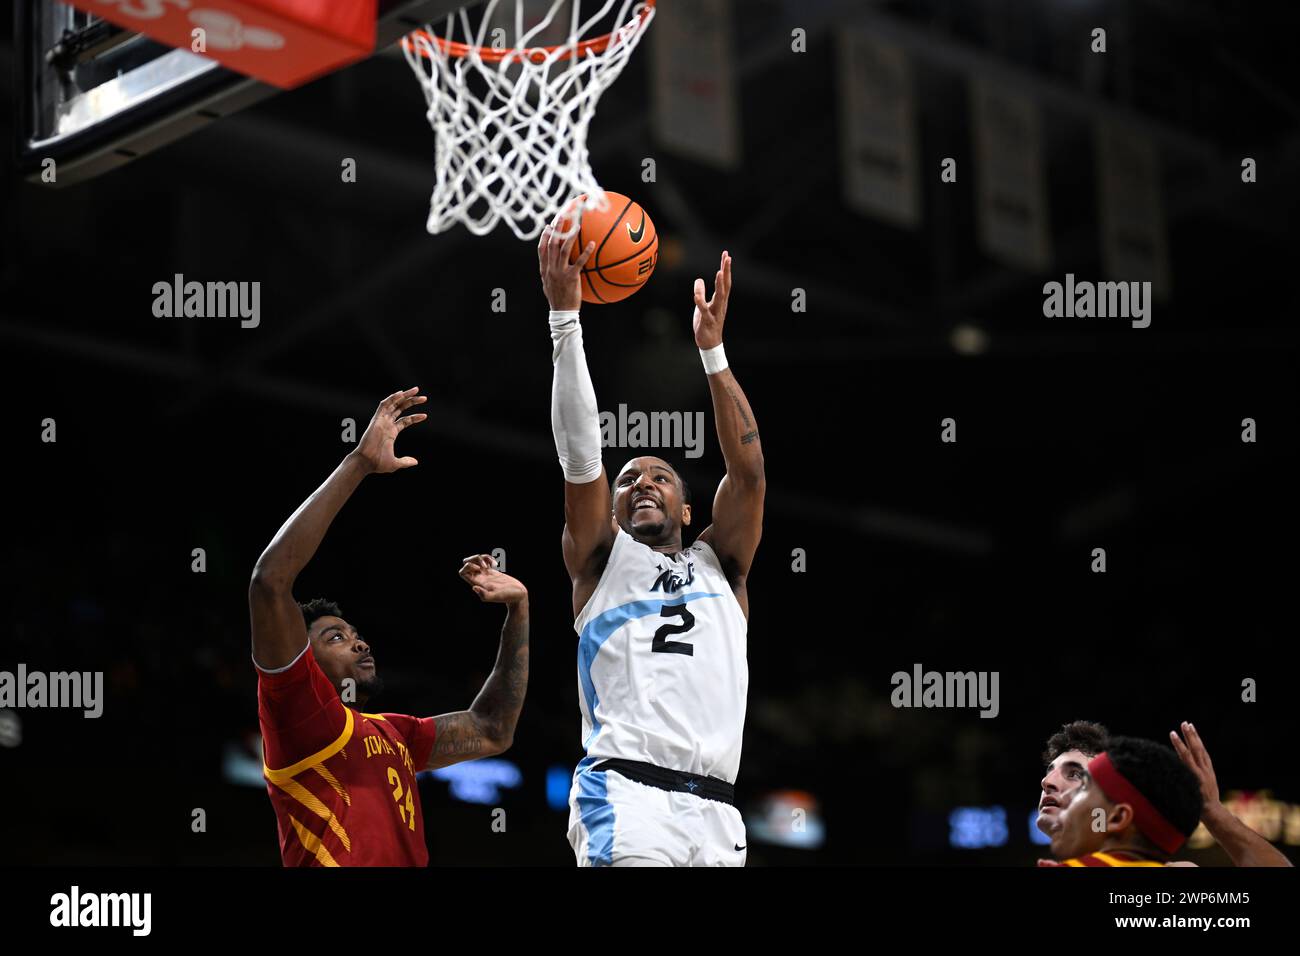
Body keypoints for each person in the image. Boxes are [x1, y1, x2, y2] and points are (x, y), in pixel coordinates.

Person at [540, 227, 765, 867]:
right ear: (613, 511)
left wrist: (714, 354)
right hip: (628, 792)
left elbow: (748, 474)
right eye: (630, 480)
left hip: (719, 810)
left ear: (689, 510)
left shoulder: (723, 566)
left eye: (661, 476)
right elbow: (582, 458)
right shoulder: (602, 561)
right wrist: (565, 321)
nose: (642, 484)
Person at [249, 387, 529, 866]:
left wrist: (518, 611)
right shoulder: (299, 717)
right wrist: (359, 463)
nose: (358, 641)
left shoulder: (396, 733)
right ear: (303, 659)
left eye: (354, 633)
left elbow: (492, 729)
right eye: (335, 637)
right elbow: (269, 582)